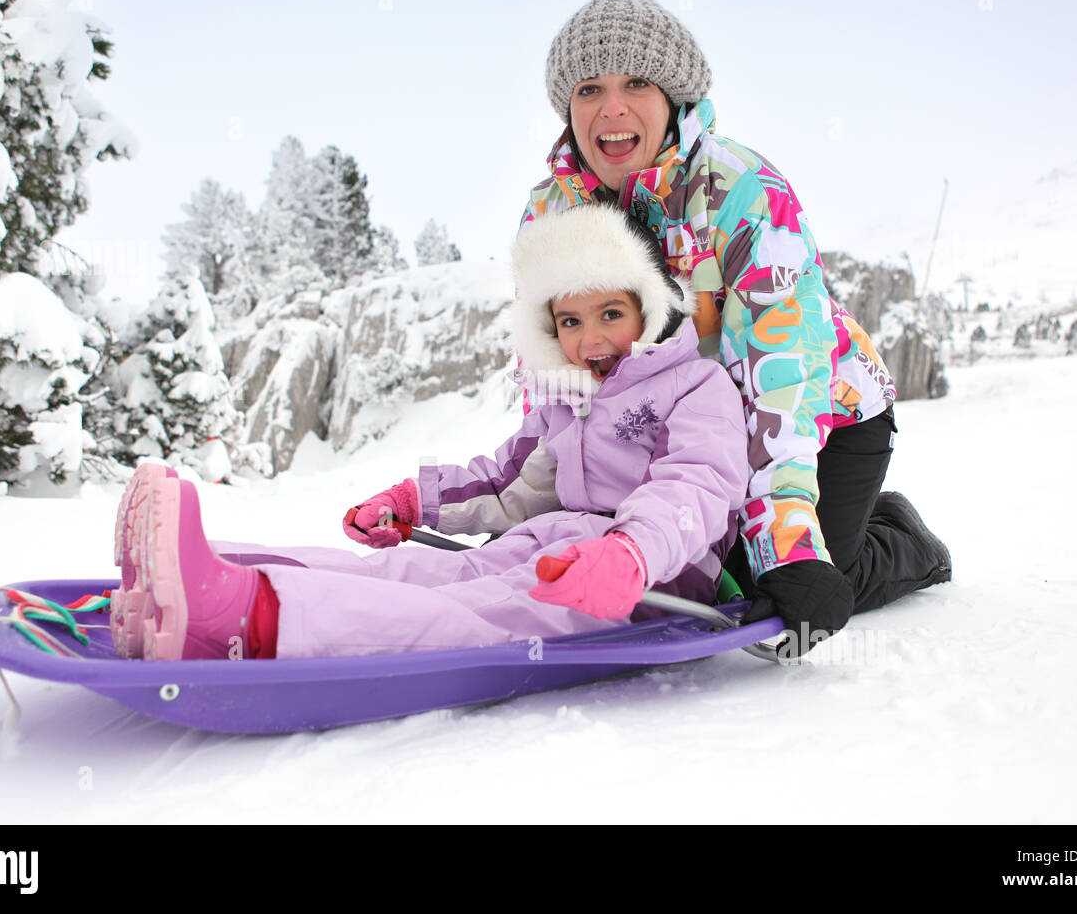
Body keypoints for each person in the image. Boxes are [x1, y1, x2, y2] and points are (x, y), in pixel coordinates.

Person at [109, 204, 749, 661]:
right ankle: (214, 568)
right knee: (420, 571)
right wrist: (416, 501)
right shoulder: (565, 397)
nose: (592, 338)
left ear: (647, 307)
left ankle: (253, 618)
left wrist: (632, 553)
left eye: (611, 312)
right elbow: (505, 481)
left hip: (654, 577)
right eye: (571, 321)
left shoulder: (695, 386)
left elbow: (695, 485)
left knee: (486, 609)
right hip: (558, 541)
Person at [525, 0, 951, 655]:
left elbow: (778, 377)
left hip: (820, 415)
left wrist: (786, 545)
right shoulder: (551, 215)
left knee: (762, 607)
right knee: (667, 578)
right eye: (590, 88)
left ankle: (901, 542)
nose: (612, 108)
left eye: (635, 81)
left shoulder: (741, 191)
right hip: (680, 440)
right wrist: (536, 509)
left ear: (674, 96)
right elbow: (553, 374)